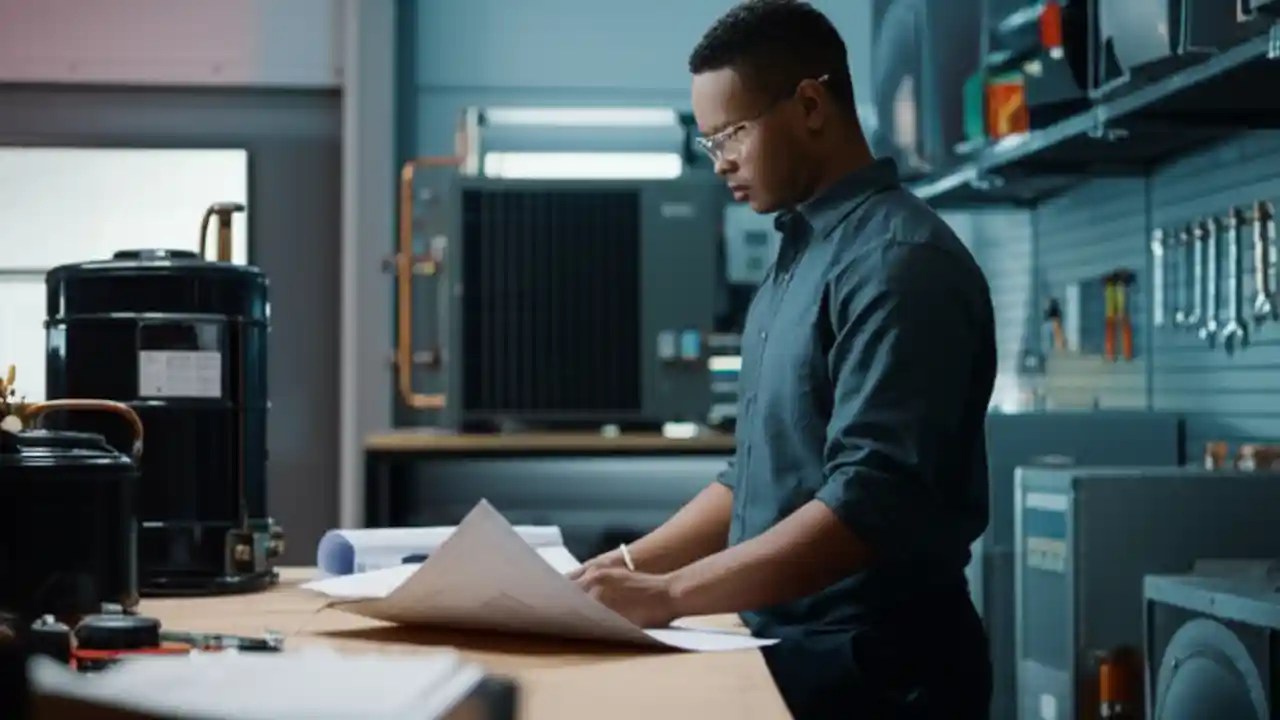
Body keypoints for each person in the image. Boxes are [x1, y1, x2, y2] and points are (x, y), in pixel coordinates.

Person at [570, 1, 997, 718]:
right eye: (709, 142)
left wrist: (669, 595)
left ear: (809, 105)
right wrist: (621, 568)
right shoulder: (797, 259)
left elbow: (868, 503)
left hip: (877, 672)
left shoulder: (899, 264)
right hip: (788, 647)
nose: (720, 162)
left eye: (732, 133)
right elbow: (752, 480)